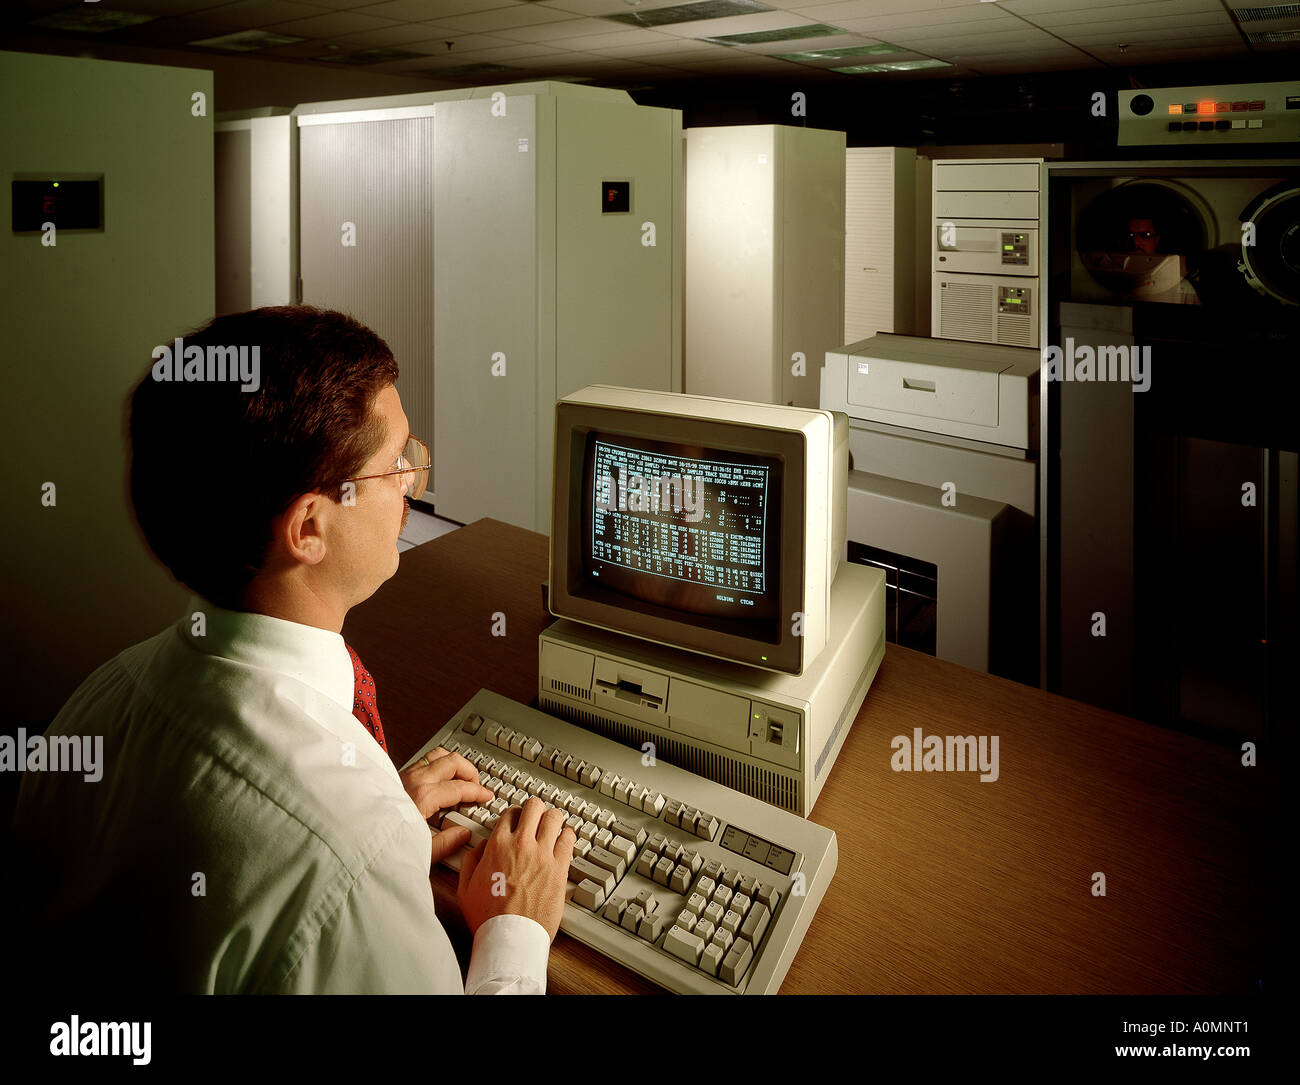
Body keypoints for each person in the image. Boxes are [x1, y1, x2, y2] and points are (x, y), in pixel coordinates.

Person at [10, 305, 575, 993]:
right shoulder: (345, 856)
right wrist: (511, 931)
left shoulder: (104, 696)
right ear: (309, 527)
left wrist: (375, 827)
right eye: (395, 463)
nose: (412, 482)